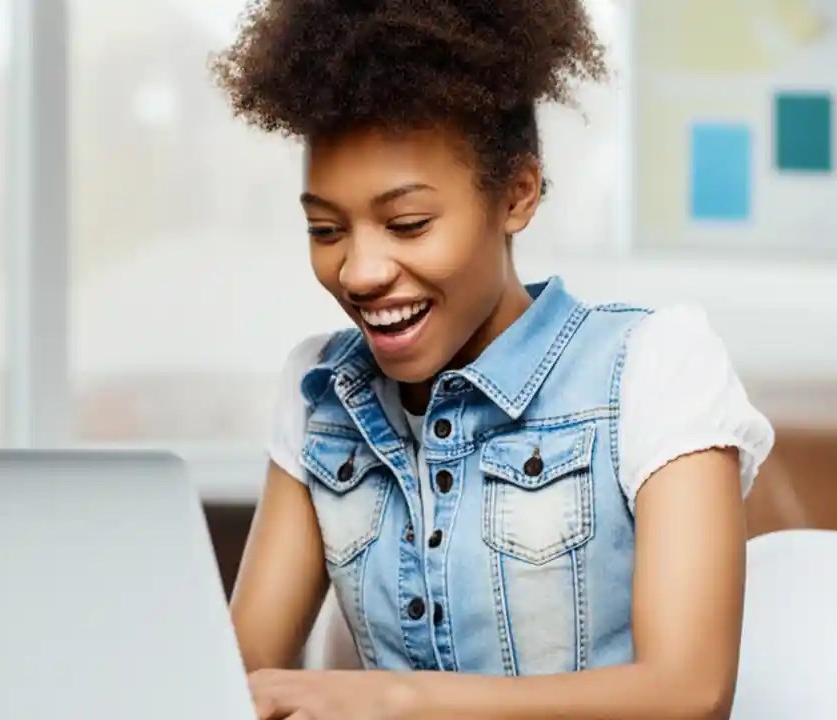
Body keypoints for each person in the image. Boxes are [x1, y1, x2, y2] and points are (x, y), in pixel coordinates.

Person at [212, 1, 774, 719]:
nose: (359, 272)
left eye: (407, 224)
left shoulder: (655, 368)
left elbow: (689, 693)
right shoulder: (321, 392)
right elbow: (233, 683)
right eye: (326, 229)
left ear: (517, 195)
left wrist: (395, 700)